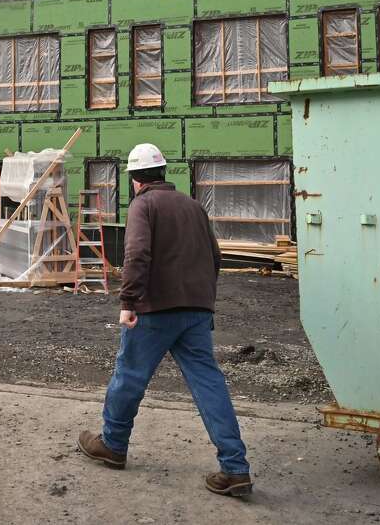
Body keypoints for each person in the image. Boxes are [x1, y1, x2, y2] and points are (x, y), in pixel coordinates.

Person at [76, 143, 252, 498]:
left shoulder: (144, 204)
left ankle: (113, 444)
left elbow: (137, 253)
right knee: (209, 385)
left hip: (155, 311)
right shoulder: (193, 206)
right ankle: (235, 468)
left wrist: (128, 300)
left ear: (134, 180)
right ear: (162, 173)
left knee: (129, 377)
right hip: (197, 313)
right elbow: (214, 258)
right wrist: (203, 303)